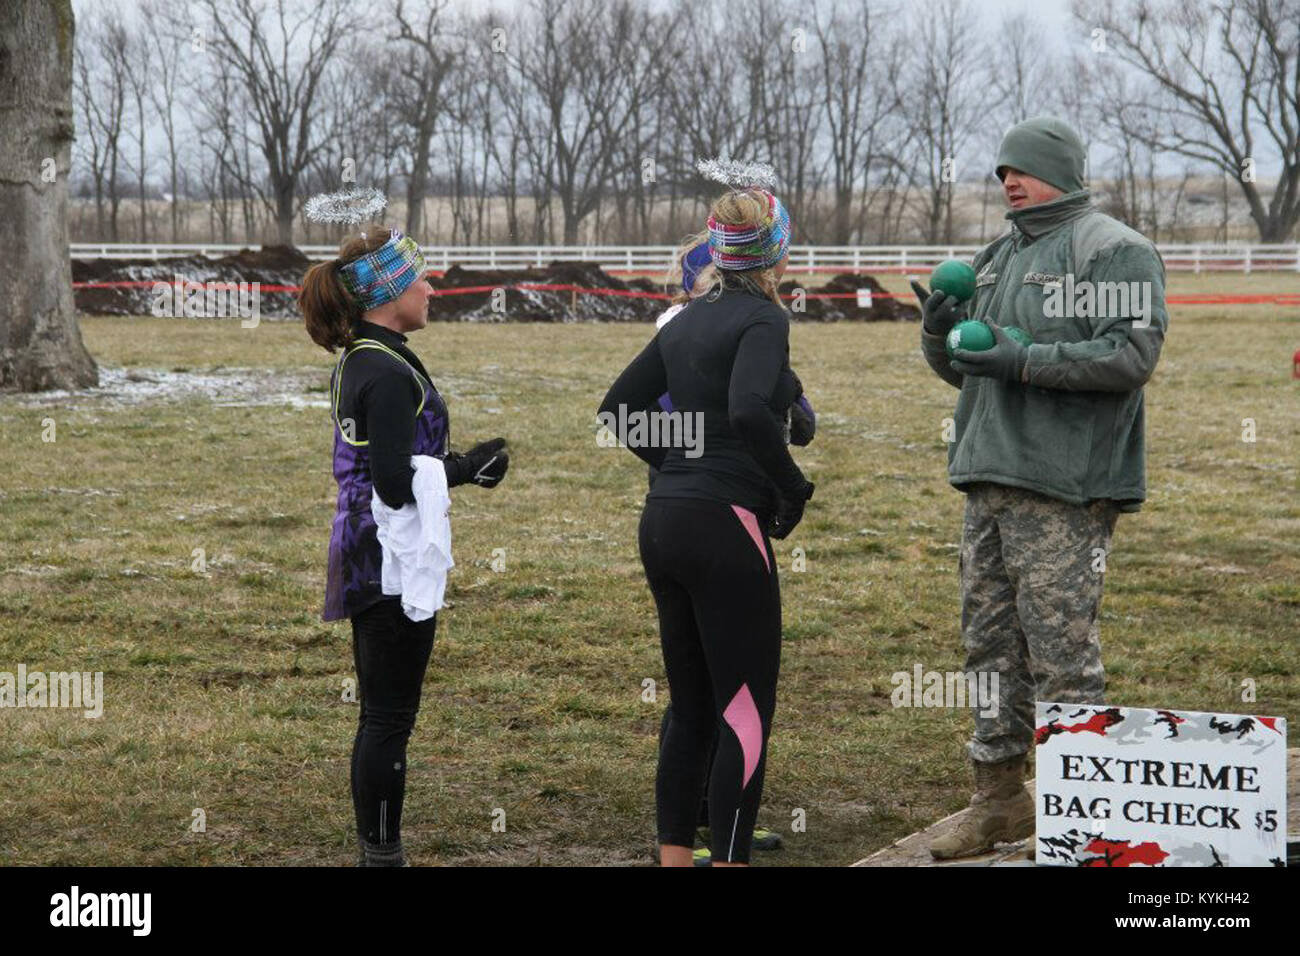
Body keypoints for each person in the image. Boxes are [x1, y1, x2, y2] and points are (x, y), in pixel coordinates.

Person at [912, 118, 1167, 859]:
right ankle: (998, 801)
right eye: (1000, 173)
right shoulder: (995, 258)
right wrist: (940, 334)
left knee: (1062, 657)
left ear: (1062, 171)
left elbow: (1128, 354)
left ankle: (1082, 813)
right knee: (988, 651)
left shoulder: (1114, 249)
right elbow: (970, 369)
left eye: (1021, 170)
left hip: (1063, 485)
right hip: (987, 477)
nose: (1008, 183)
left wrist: (1023, 357)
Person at [599, 188, 815, 866]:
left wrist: (678, 469)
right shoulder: (763, 319)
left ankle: (673, 858)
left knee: (690, 709)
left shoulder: (685, 319)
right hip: (726, 525)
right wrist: (790, 487)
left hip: (664, 522)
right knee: (744, 713)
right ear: (776, 249)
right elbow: (749, 411)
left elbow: (617, 410)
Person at [300, 227, 510, 866]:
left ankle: (378, 850)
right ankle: (382, 855)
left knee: (381, 713)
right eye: (420, 277)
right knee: (389, 718)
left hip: (367, 547)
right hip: (386, 554)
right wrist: (466, 466)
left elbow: (394, 463)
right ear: (390, 292)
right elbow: (394, 482)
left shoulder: (366, 356)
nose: (431, 286)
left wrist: (456, 466)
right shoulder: (384, 370)